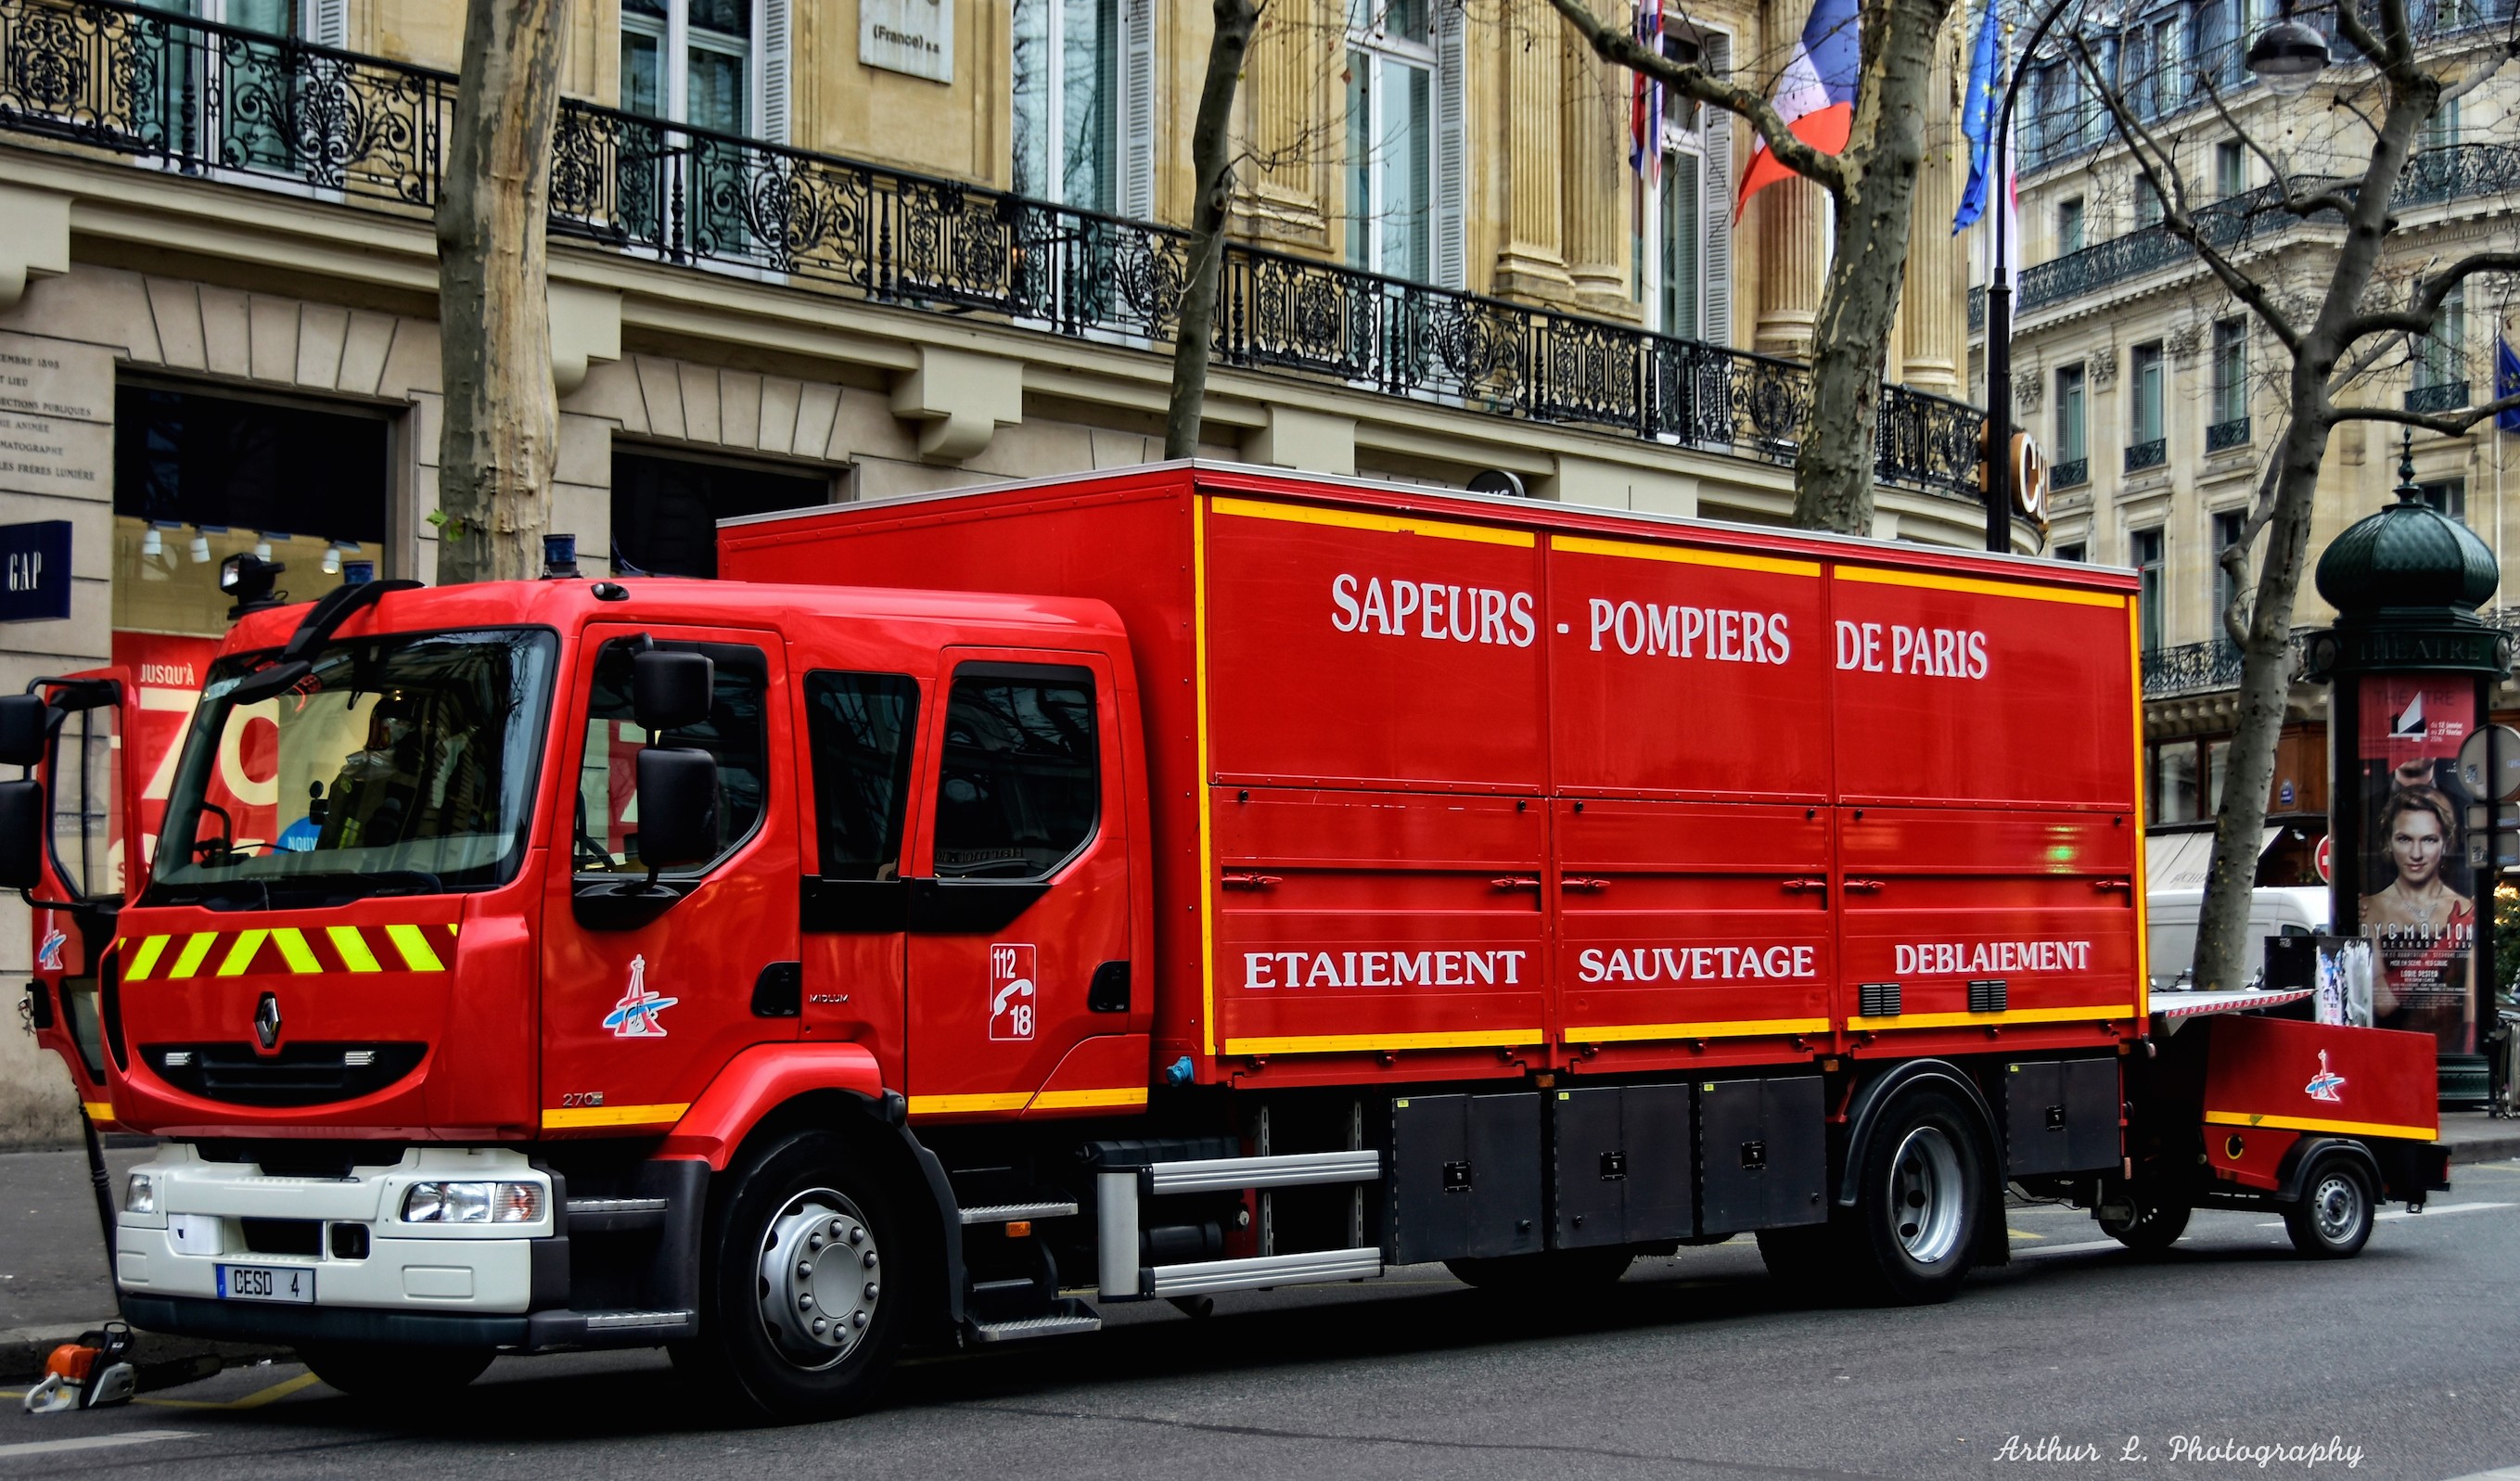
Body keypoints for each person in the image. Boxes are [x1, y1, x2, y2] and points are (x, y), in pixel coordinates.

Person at [2358, 785, 2474, 1026]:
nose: (2416, 854)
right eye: (2404, 839)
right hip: (2391, 1052)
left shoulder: (2466, 908)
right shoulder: (2370, 909)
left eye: (2429, 839)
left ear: (2445, 843)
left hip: (2449, 1052)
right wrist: (2445, 946)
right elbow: (2382, 1003)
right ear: (2388, 842)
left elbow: (2472, 1011)